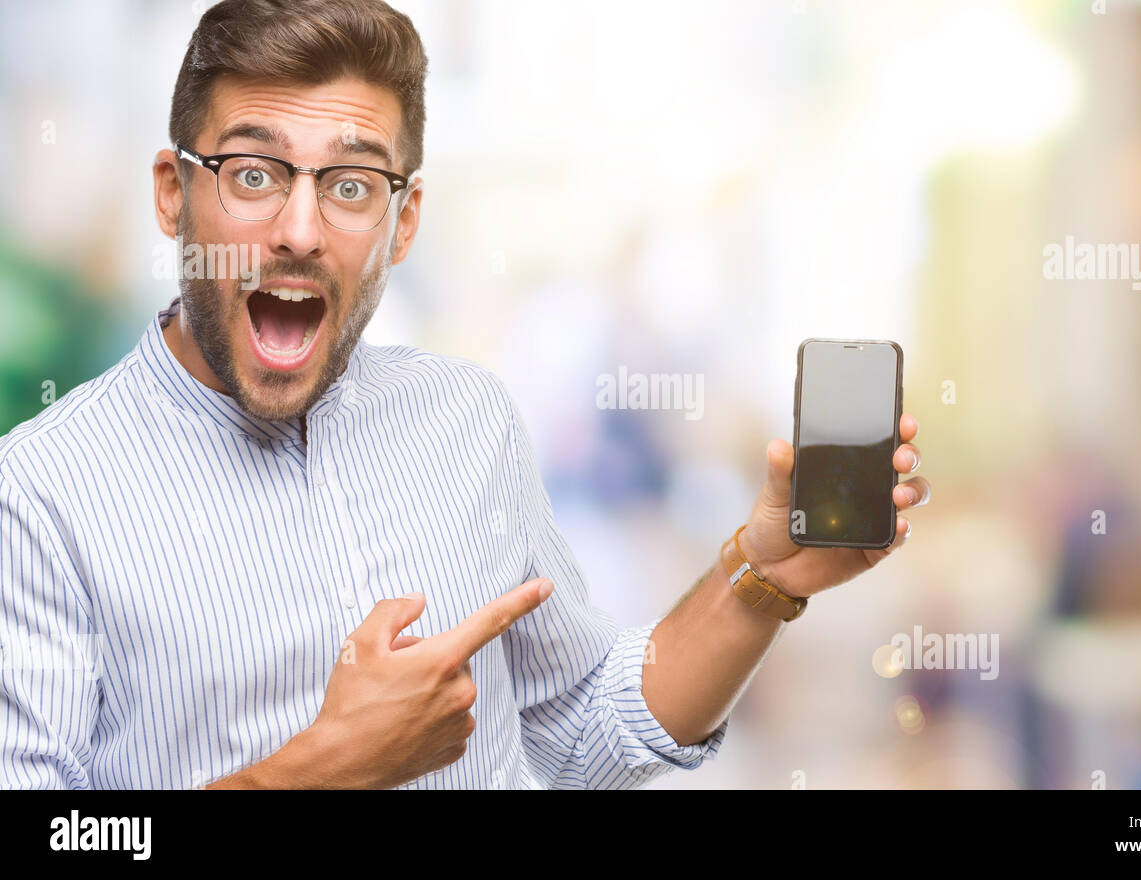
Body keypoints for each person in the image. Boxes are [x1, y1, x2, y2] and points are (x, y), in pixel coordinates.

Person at [0, 0, 929, 789]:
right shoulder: (42, 493)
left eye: (352, 185)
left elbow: (580, 734)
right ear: (172, 193)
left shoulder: (466, 421)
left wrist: (762, 578)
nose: (298, 229)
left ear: (403, 223)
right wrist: (326, 768)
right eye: (253, 174)